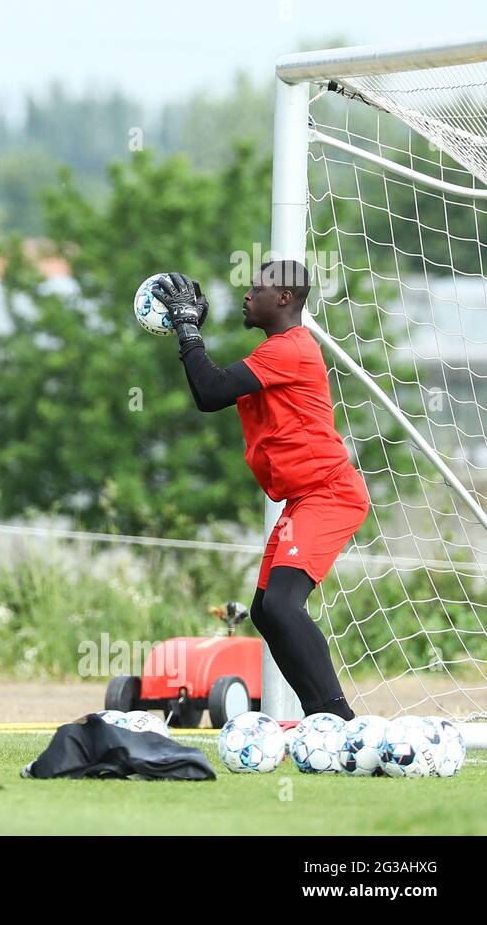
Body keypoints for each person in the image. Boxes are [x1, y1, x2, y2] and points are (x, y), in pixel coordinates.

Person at [150, 260, 369, 721]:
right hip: (305, 498)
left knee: (284, 606)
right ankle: (321, 718)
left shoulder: (289, 349)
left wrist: (188, 329)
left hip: (330, 493)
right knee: (267, 612)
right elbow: (207, 391)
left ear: (285, 299)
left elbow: (210, 391)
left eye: (258, 287)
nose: (248, 294)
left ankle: (340, 723)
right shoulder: (274, 352)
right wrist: (189, 333)